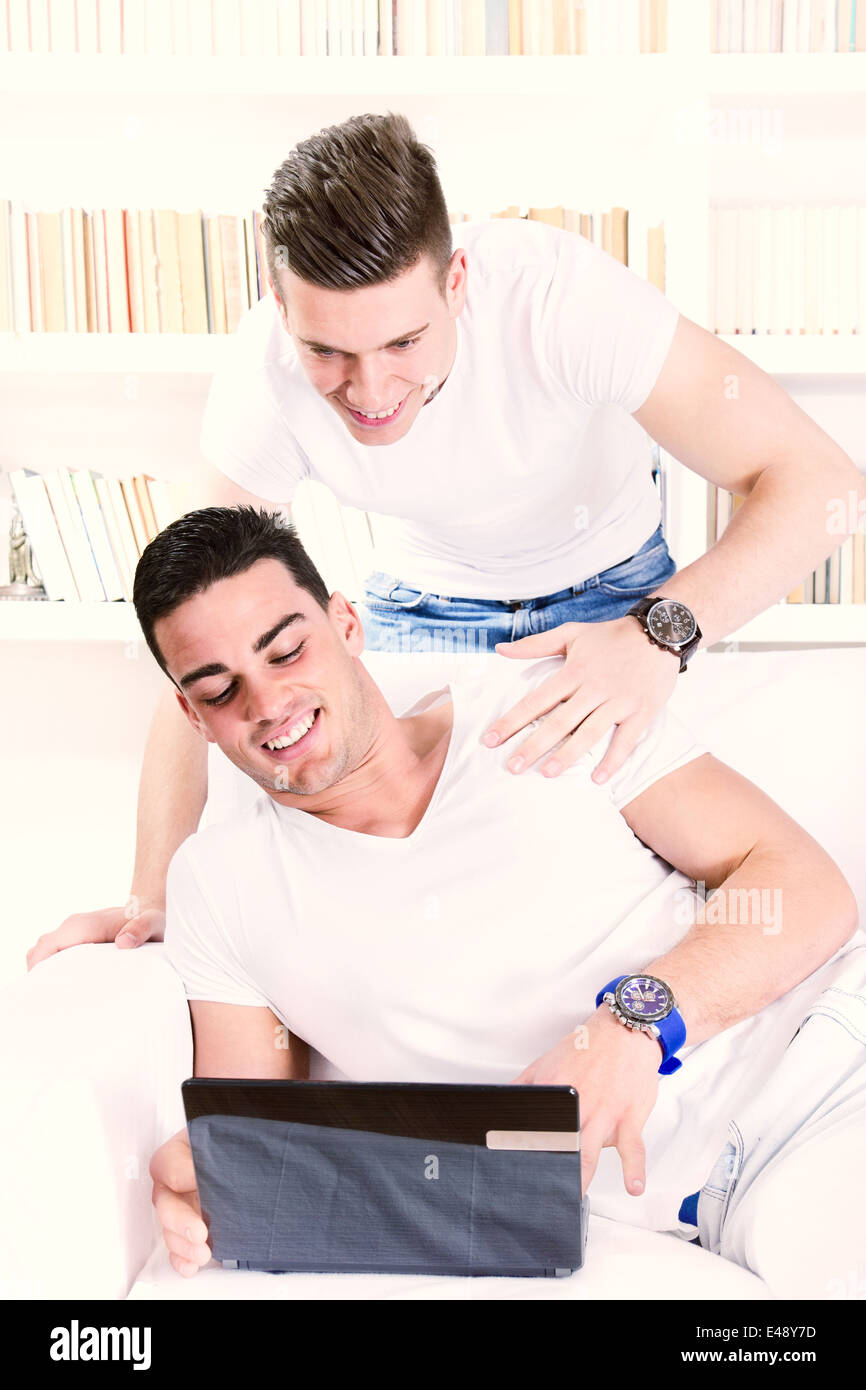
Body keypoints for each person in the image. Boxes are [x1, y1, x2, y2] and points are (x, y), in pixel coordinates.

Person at [26, 111, 865, 970]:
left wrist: (657, 634)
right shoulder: (262, 381)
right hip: (418, 616)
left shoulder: (559, 303)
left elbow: (820, 485)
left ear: (458, 279)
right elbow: (198, 630)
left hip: (617, 601)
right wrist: (153, 897)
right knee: (362, 887)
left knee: (632, 889)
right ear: (281, 310)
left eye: (403, 341)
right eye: (328, 352)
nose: (371, 389)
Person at [138, 506, 864, 1294]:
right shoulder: (219, 885)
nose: (268, 702)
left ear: (346, 623)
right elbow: (260, 1144)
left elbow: (804, 884)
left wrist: (632, 1027)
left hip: (822, 1062)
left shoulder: (542, 705)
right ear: (191, 714)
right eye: (218, 689)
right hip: (710, 1200)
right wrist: (199, 1179)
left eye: (286, 650)